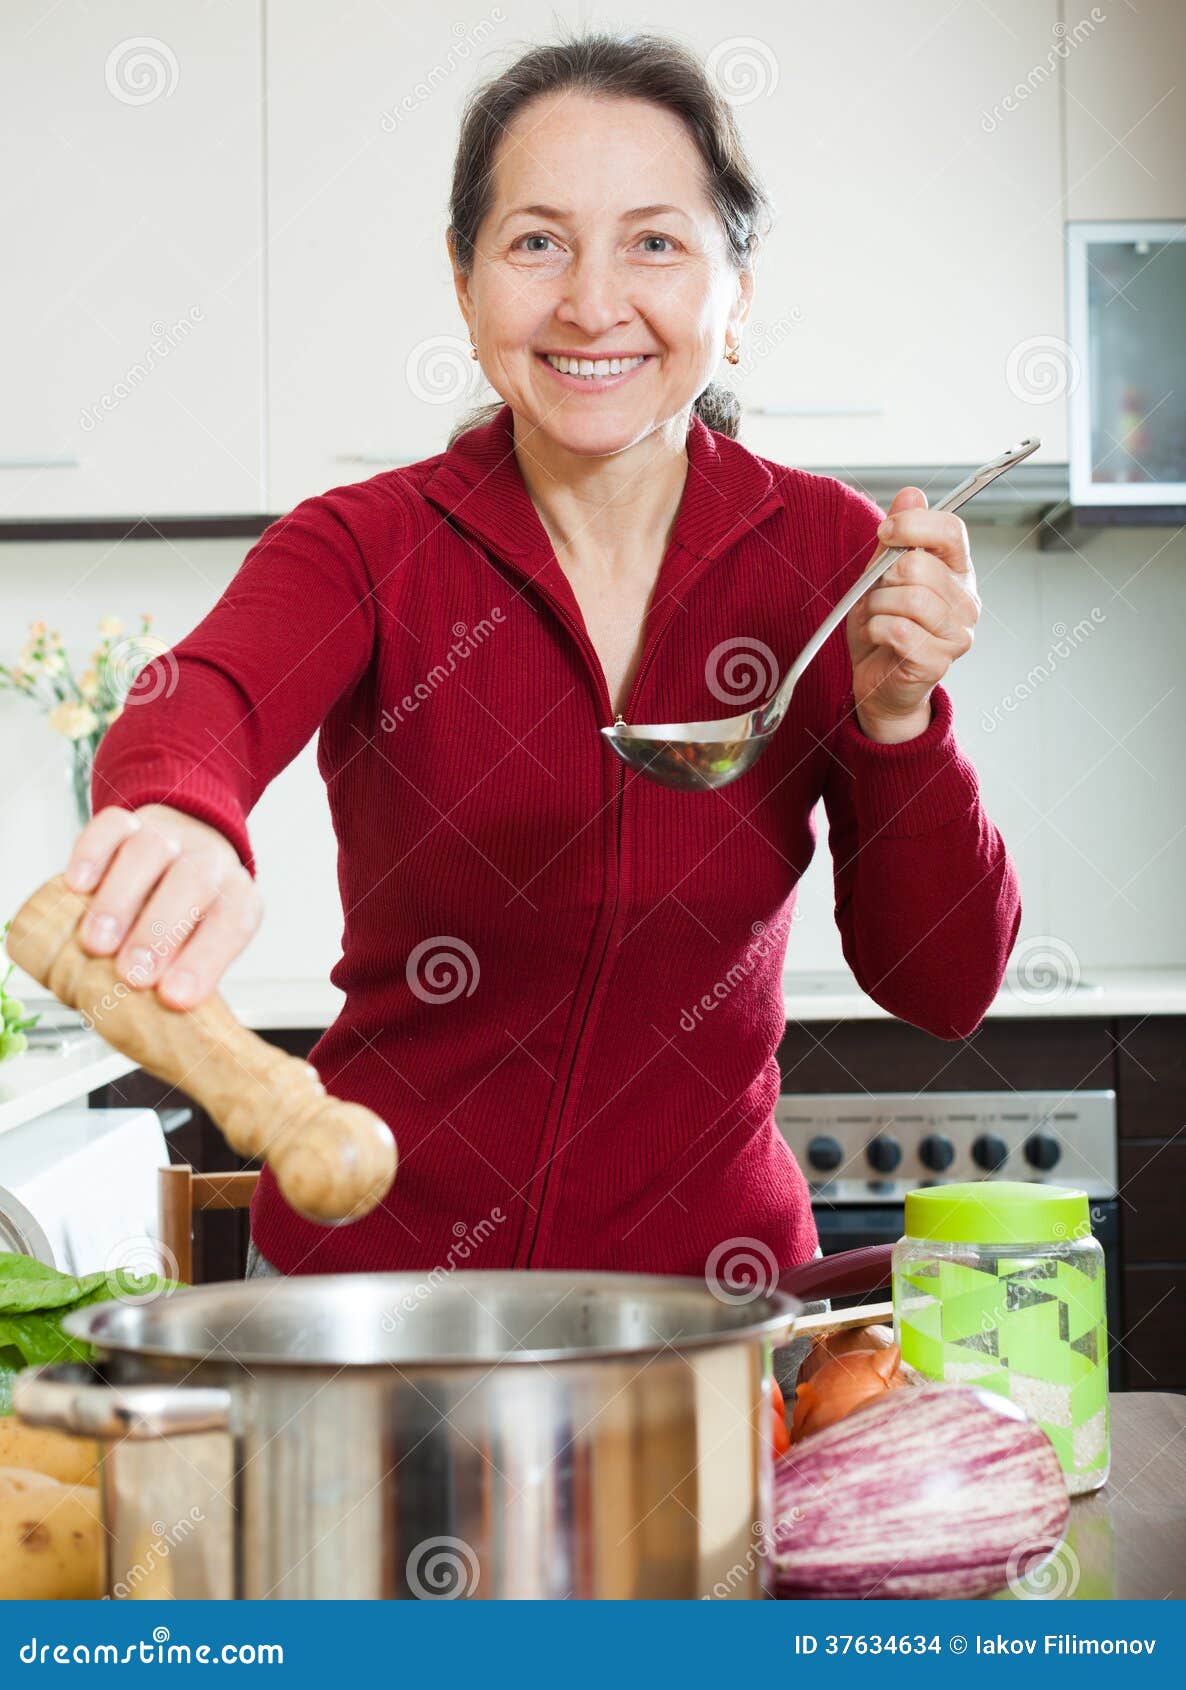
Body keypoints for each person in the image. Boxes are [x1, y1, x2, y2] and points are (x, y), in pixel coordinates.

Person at [66, 34, 1019, 1380]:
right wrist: (178, 812)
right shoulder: (365, 543)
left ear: (732, 293)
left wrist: (900, 718)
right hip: (371, 1309)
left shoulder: (828, 557)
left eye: (652, 245)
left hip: (703, 1325)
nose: (589, 303)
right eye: (534, 244)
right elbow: (206, 691)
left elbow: (943, 982)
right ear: (463, 282)